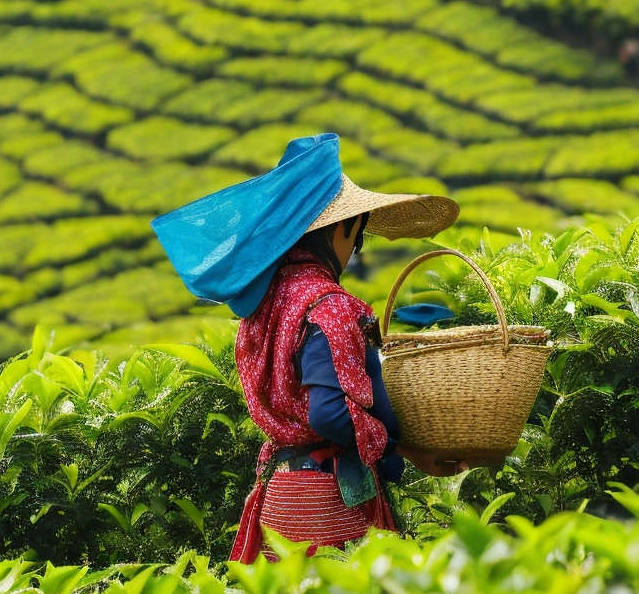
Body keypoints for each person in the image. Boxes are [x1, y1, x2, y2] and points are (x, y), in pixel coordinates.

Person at [154, 133, 484, 565]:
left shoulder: (267, 303)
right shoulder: (328, 304)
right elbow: (328, 412)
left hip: (282, 492)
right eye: (357, 233)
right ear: (340, 229)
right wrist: (408, 449)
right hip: (327, 501)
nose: (355, 247)